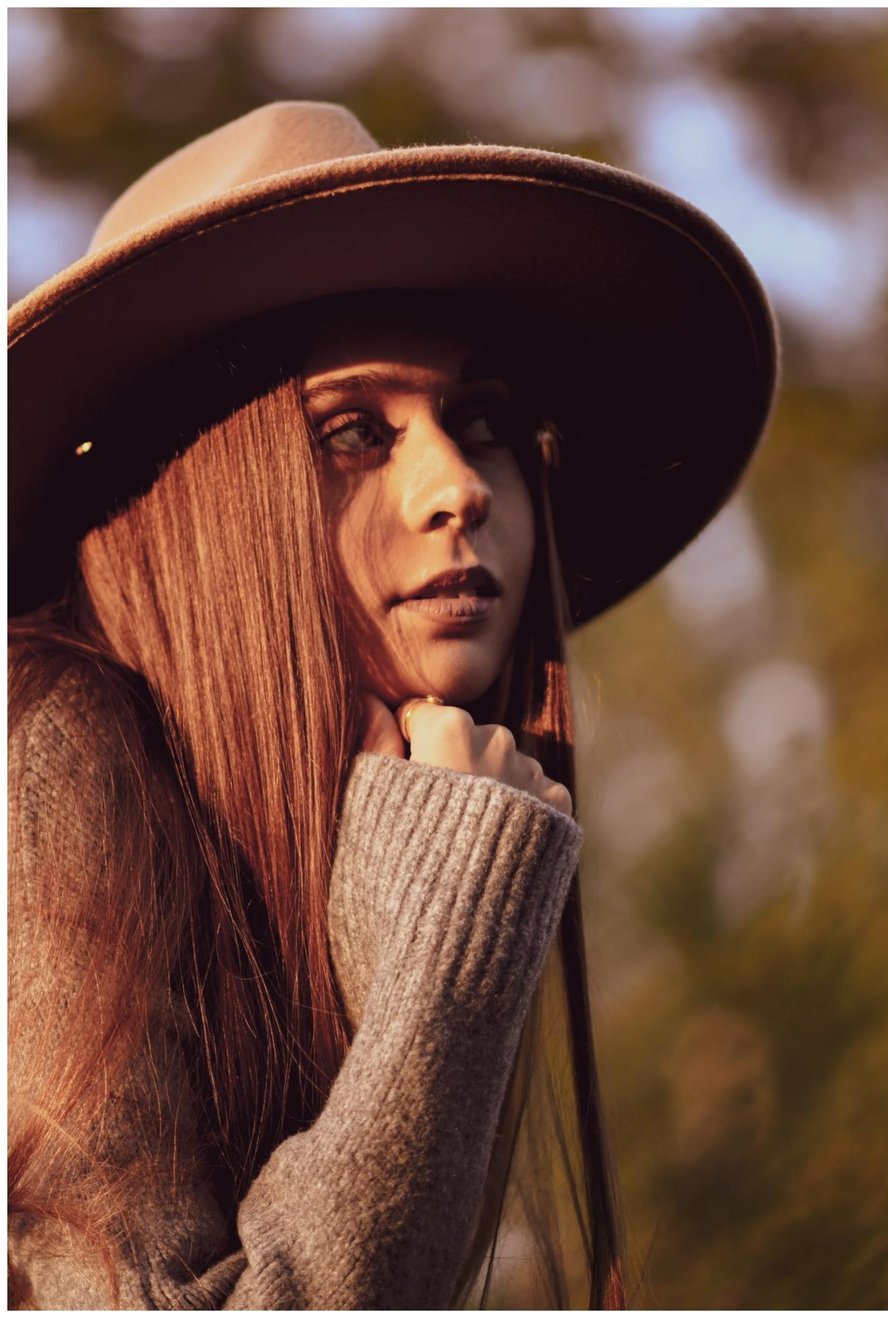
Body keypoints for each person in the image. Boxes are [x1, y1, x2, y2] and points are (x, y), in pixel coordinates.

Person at [8, 102, 777, 1306]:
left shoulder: (374, 811)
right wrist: (444, 979)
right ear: (194, 492)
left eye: (480, 423)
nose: (460, 485)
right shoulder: (42, 751)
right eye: (355, 431)